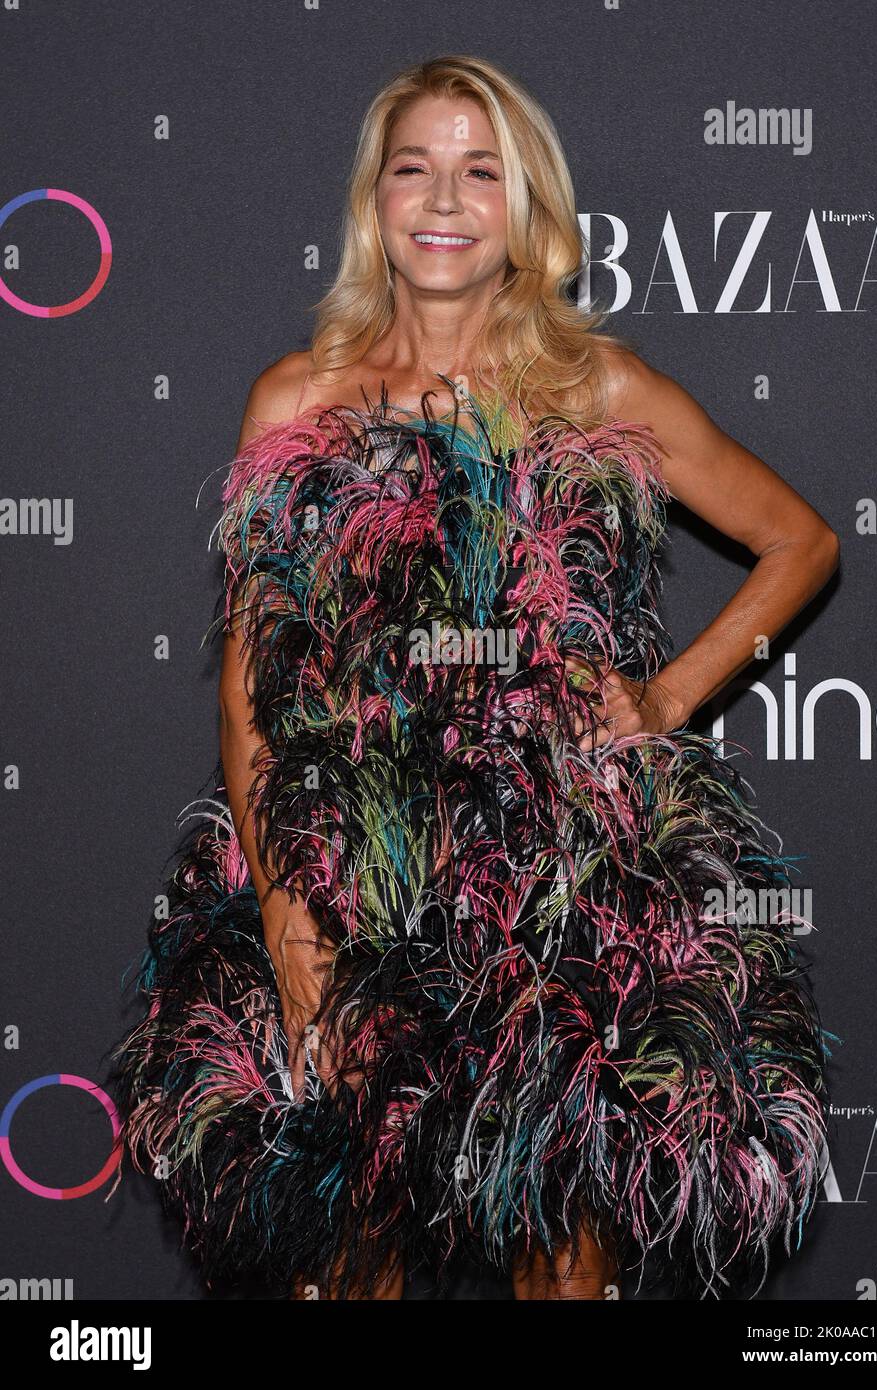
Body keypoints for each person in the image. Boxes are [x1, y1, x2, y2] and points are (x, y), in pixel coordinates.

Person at [110, 54, 840, 1301]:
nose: (444, 200)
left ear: (526, 210)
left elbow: (801, 541)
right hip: (353, 890)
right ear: (376, 204)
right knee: (349, 1266)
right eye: (416, 170)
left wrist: (663, 702)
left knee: (566, 1265)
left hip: (556, 895)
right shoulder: (295, 402)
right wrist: (292, 916)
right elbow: (250, 686)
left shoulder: (592, 388)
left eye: (480, 171)